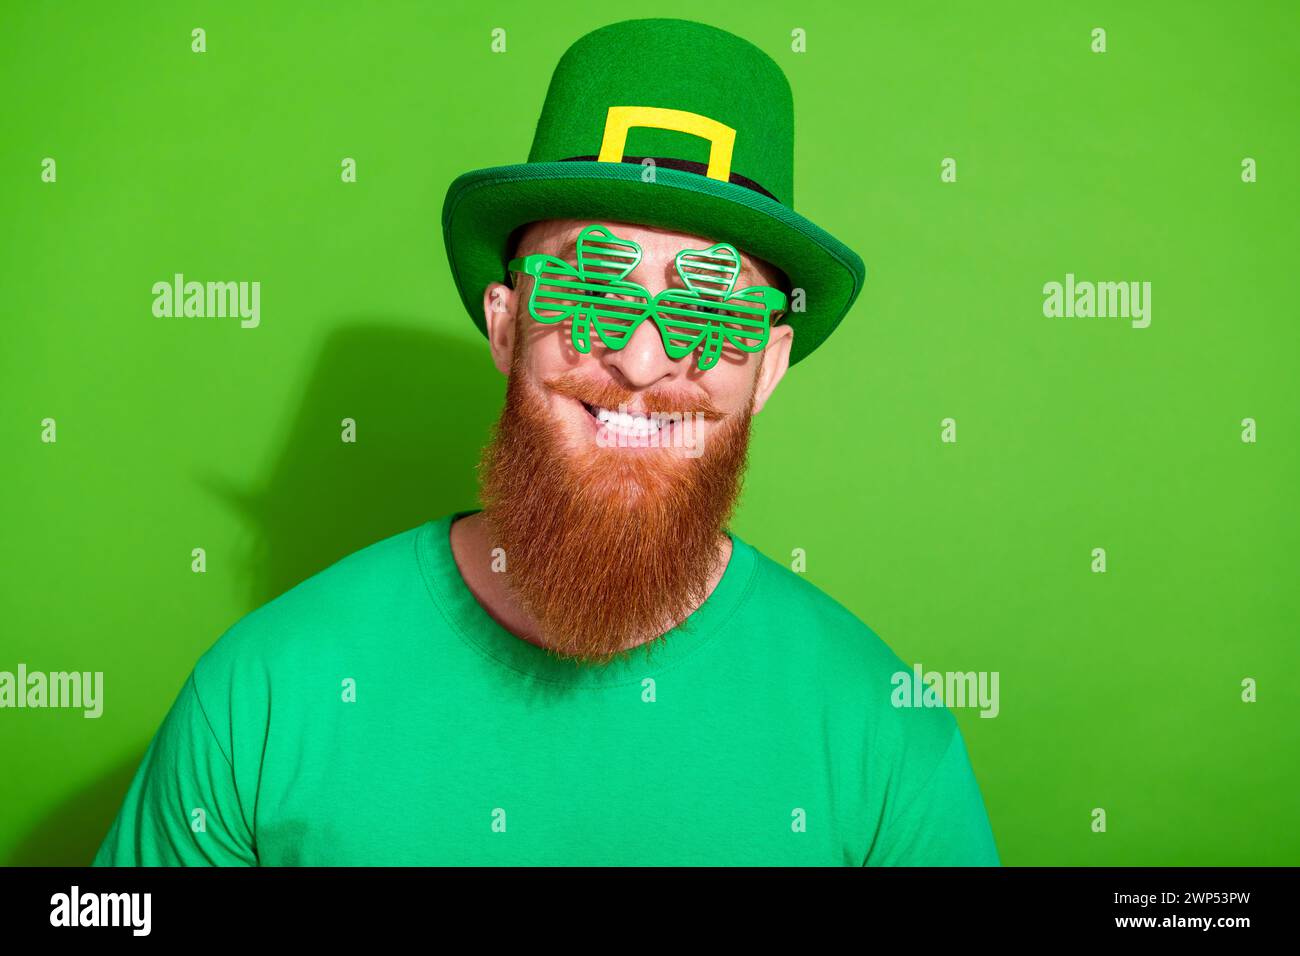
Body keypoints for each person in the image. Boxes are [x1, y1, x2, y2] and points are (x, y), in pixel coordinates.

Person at [93, 18, 999, 867]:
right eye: (590, 283)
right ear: (505, 320)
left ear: (767, 367)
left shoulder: (888, 740)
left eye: (709, 303)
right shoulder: (260, 697)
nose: (643, 361)